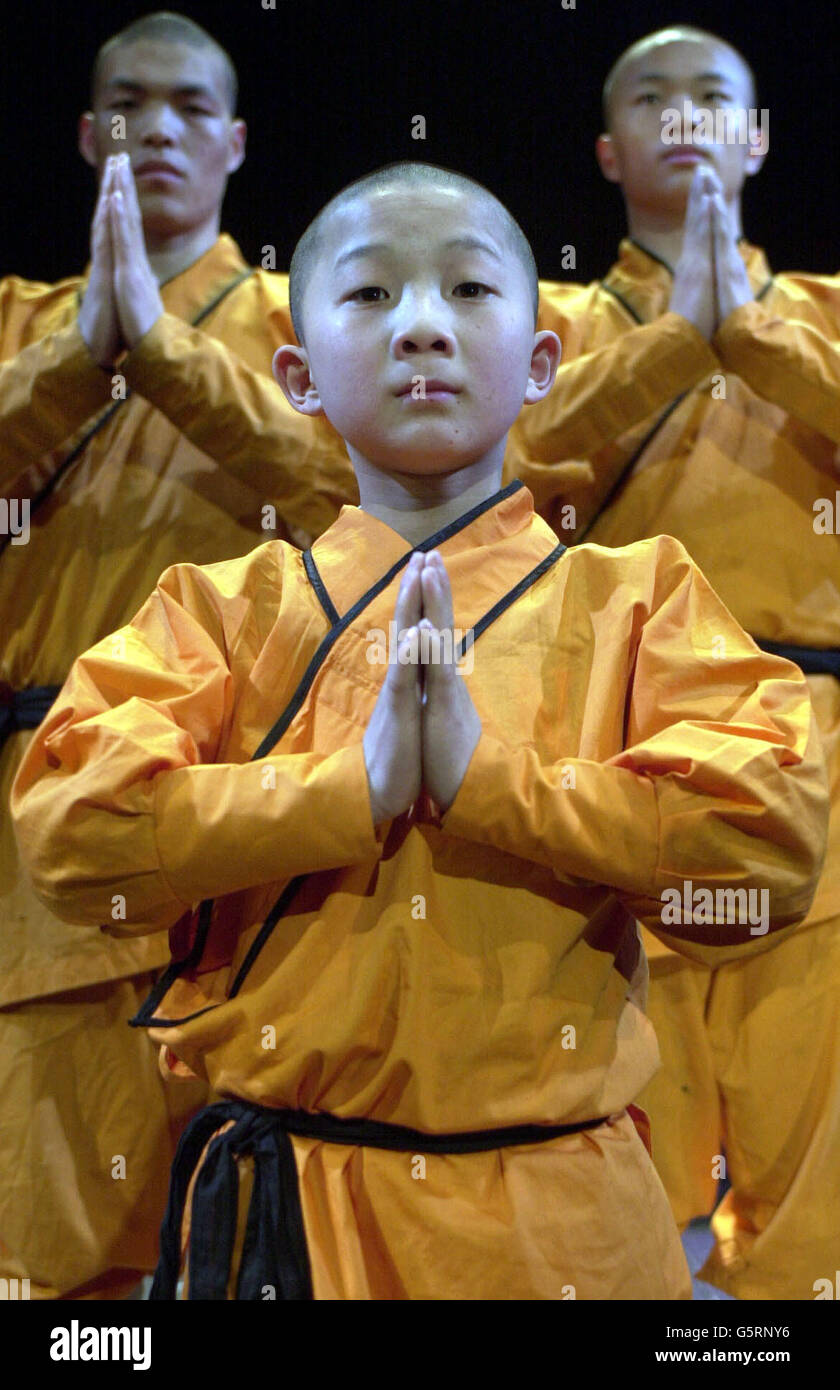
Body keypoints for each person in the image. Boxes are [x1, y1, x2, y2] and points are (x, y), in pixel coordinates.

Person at [12, 160, 827, 1301]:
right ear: (295, 375)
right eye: (371, 296)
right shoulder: (219, 605)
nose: (423, 329)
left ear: (545, 361)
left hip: (564, 1219)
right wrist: (352, 788)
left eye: (469, 291)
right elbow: (70, 832)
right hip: (283, 1215)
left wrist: (488, 783)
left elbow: (770, 844)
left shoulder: (638, 596)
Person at [0, 10, 353, 1299]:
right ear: (90, 135)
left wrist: (163, 351)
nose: (160, 128)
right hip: (44, 837)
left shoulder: (298, 327)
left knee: (257, 1236)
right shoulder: (17, 322)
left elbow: (346, 491)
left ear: (237, 140)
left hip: (261, 815)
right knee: (59, 1263)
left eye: (192, 107)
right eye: (132, 105)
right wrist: (77, 350)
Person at [509, 26, 840, 1299]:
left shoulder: (816, 314)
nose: (686, 116)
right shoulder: (547, 324)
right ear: (608, 150)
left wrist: (747, 332)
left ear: (757, 138)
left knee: (810, 1201)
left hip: (809, 755)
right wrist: (673, 340)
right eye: (652, 98)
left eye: (715, 98)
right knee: (619, 1171)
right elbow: (501, 462)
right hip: (607, 748)